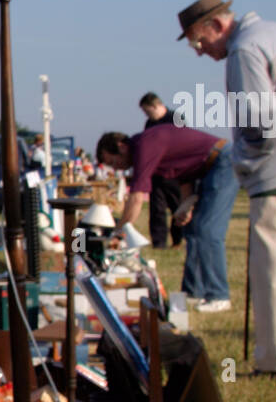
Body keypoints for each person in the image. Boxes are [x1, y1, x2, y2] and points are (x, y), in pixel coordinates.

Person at [177, 0, 276, 379]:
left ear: (217, 26)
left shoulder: (243, 50)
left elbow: (260, 124)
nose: (200, 52)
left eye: (198, 41)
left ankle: (275, 362)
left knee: (269, 269)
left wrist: (244, 164)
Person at [96, 119, 236, 313]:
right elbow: (184, 172)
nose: (117, 168)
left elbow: (137, 197)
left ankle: (219, 295)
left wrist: (119, 231)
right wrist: (185, 206)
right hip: (205, 169)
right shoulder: (146, 147)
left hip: (222, 161)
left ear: (121, 146)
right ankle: (193, 293)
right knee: (193, 231)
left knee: (208, 231)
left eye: (113, 161)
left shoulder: (144, 146)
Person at [138, 92, 186, 249]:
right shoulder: (149, 124)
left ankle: (177, 240)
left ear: (155, 106)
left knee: (177, 207)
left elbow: (183, 141)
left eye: (147, 111)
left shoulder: (176, 118)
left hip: (174, 172)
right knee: (157, 209)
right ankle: (159, 243)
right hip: (157, 172)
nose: (146, 115)